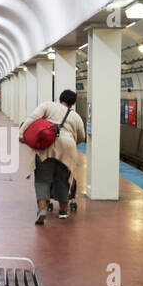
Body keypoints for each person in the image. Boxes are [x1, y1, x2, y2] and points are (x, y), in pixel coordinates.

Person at [19, 89, 86, 223]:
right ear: (72, 104)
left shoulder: (48, 106)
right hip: (67, 149)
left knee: (42, 179)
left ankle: (42, 209)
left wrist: (21, 134)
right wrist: (70, 143)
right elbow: (82, 137)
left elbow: (32, 119)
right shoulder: (76, 116)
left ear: (60, 98)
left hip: (46, 147)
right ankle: (62, 211)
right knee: (62, 179)